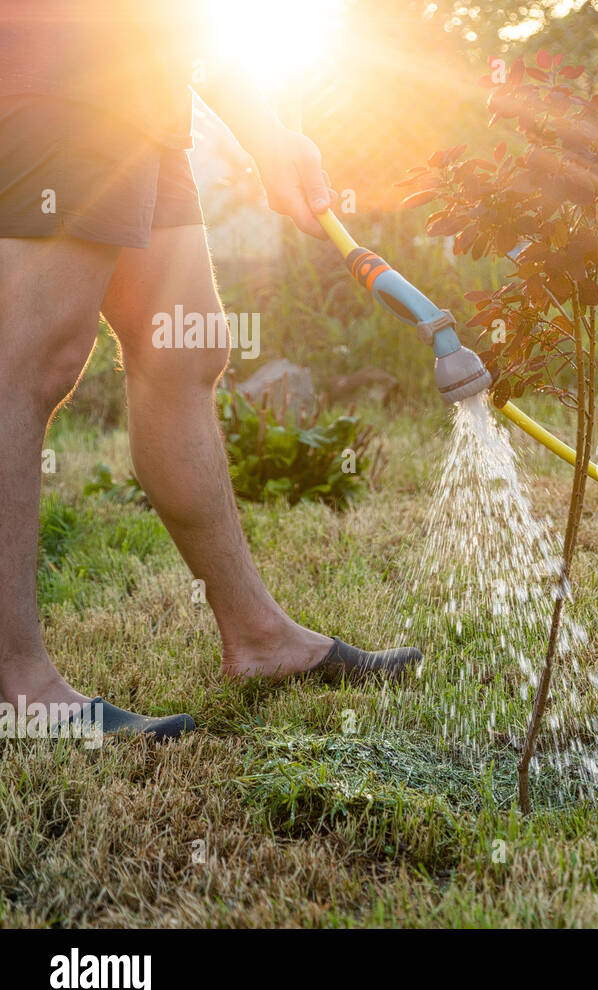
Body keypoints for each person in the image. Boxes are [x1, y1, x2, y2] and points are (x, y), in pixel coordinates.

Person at [0, 1, 421, 741]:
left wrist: (267, 135)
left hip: (139, 98)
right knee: (29, 362)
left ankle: (258, 636)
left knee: (182, 353)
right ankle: (16, 684)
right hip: (58, 74)